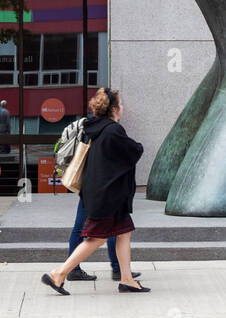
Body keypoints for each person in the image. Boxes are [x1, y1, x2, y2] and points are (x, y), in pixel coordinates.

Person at [42, 87, 148, 294]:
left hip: (103, 192)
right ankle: (59, 274)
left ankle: (127, 279)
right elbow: (134, 150)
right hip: (106, 195)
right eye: (121, 104)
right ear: (115, 109)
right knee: (96, 238)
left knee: (124, 233)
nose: (123, 107)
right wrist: (139, 146)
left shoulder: (94, 128)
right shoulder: (113, 131)